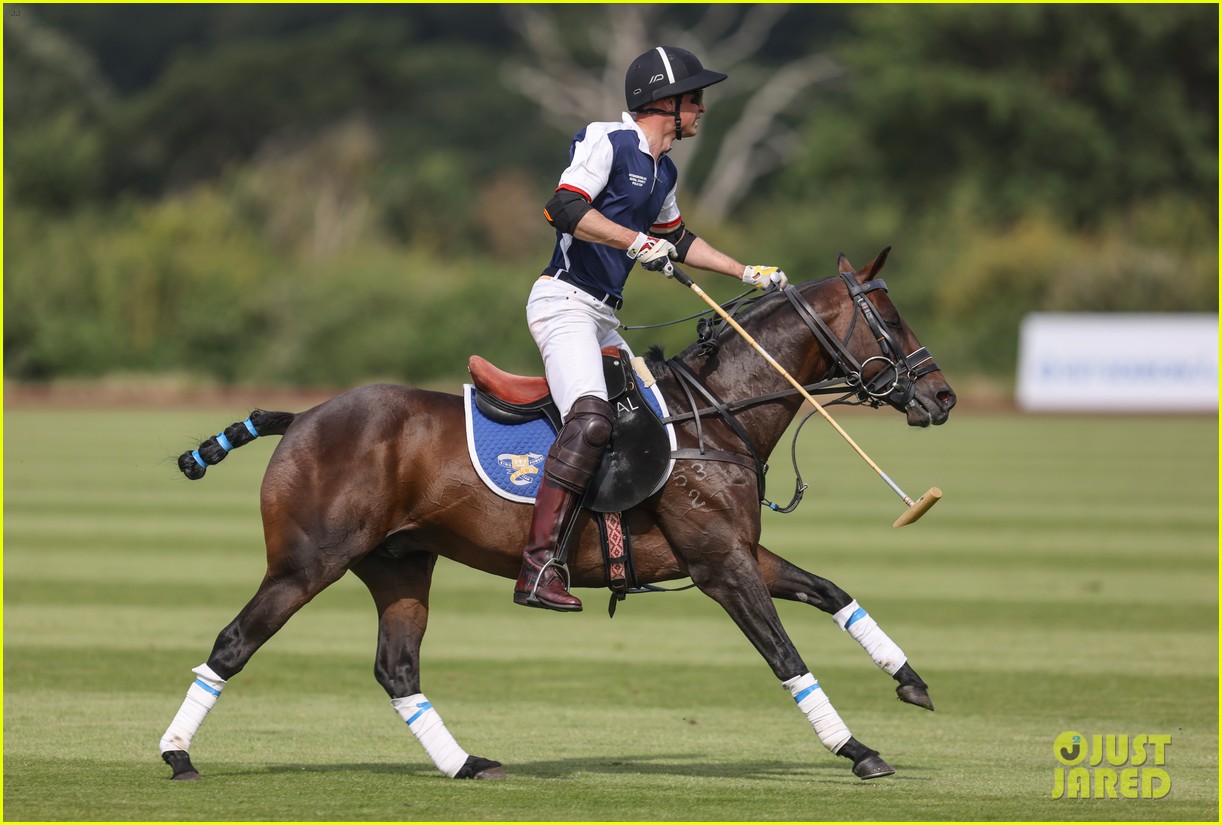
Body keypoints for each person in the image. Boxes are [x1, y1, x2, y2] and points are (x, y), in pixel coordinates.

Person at [514, 45, 789, 612]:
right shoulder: (606, 141)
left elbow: (680, 239)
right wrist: (635, 241)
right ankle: (537, 566)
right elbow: (563, 208)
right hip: (564, 302)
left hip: (603, 316)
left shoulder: (664, 168)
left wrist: (747, 271)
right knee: (591, 419)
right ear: (665, 101)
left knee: (654, 423)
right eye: (695, 98)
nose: (702, 109)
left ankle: (617, 551)